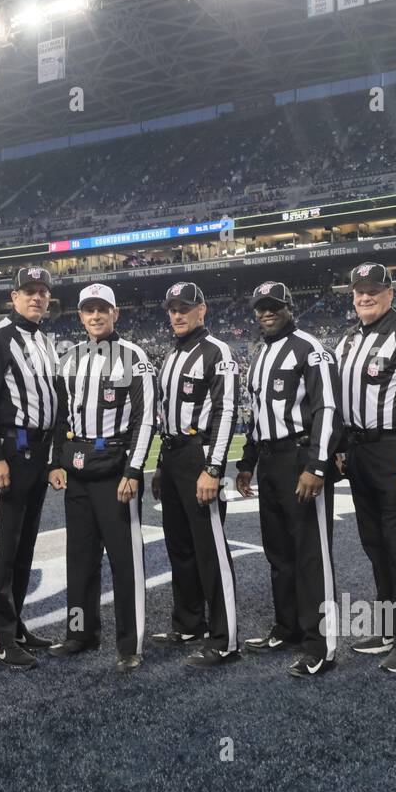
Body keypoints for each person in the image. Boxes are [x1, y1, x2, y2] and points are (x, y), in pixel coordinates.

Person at [332, 262, 396, 673]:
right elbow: (339, 400)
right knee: (374, 544)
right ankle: (392, 626)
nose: (365, 296)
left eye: (374, 290)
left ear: (390, 293)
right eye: (359, 291)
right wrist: (341, 446)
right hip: (359, 453)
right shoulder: (348, 340)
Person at [234, 281, 342, 678]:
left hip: (299, 457)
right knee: (278, 552)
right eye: (260, 307)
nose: (266, 313)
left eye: (274, 306)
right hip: (269, 459)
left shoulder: (311, 349)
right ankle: (288, 627)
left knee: (311, 555)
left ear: (289, 306)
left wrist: (316, 466)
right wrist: (247, 462)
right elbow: (256, 416)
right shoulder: (260, 354)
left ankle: (322, 646)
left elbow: (328, 409)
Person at [47, 283, 155, 673]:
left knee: (126, 561)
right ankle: (80, 633)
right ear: (80, 316)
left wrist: (134, 469)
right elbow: (60, 418)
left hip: (114, 471)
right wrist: (54, 462)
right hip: (77, 471)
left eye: (102, 310)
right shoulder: (69, 358)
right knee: (80, 559)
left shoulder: (134, 357)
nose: (95, 316)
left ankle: (130, 643)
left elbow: (146, 418)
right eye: (89, 310)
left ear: (115, 314)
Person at [0, 266, 60, 670]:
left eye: (42, 291)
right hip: (11, 449)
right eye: (29, 291)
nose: (36, 297)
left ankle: (16, 622)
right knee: (1, 546)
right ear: (13, 297)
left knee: (24, 546)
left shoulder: (44, 338)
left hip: (38, 453)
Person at [152, 281, 242, 668]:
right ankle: (189, 623)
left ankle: (226, 638)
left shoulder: (217, 351)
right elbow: (164, 416)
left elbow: (226, 413)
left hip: (199, 454)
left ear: (202, 309)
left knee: (210, 549)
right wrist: (159, 465)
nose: (177, 315)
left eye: (185, 308)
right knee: (180, 547)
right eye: (172, 309)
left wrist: (213, 467)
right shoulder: (172, 355)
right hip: (172, 455)